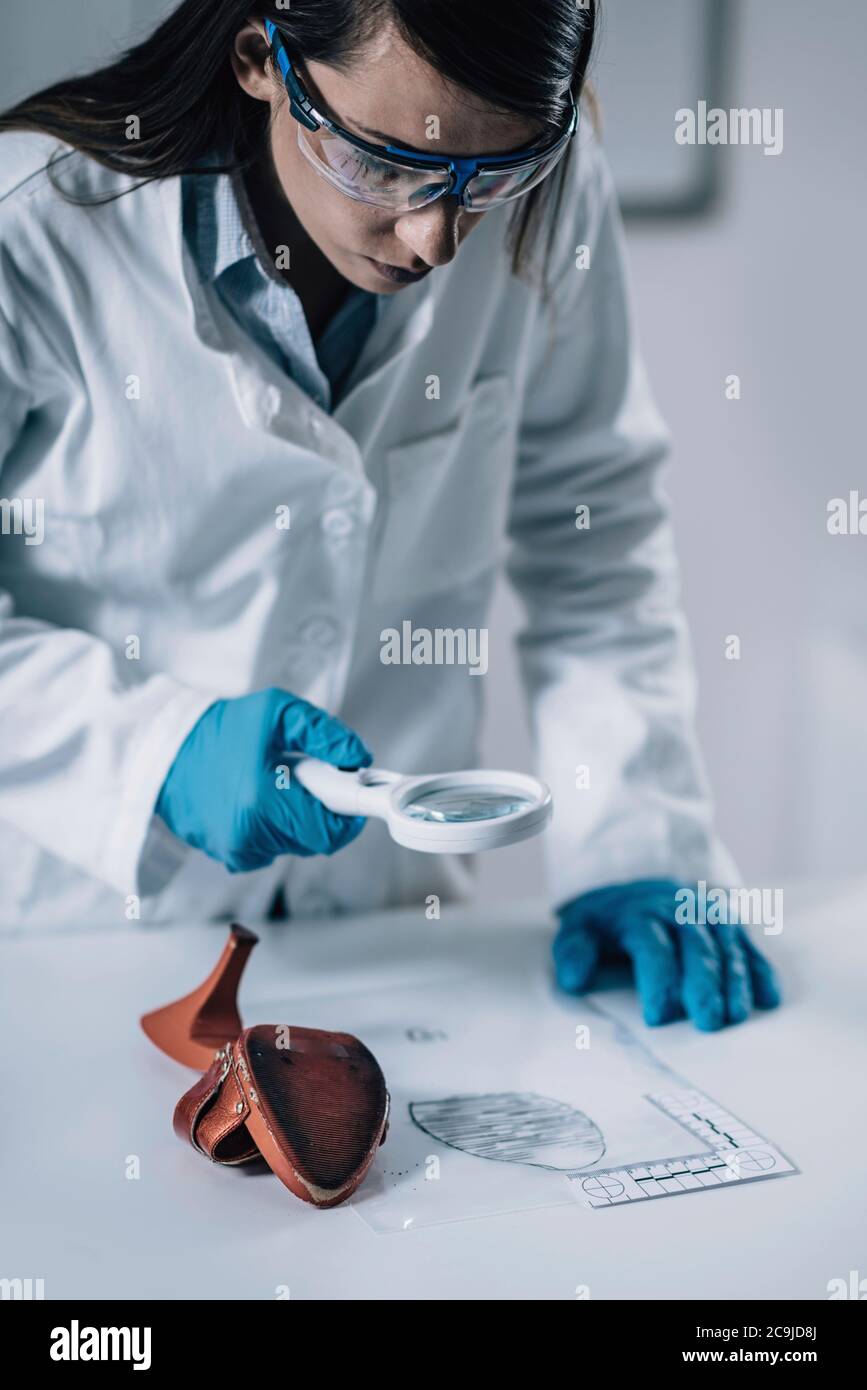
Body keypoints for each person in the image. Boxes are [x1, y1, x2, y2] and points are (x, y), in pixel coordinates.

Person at [0, 0, 779, 1029]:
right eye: (383, 165)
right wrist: (154, 751)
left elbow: (596, 535)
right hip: (84, 929)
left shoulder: (551, 181)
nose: (438, 239)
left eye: (491, 181)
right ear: (262, 62)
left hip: (389, 922)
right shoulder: (38, 225)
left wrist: (638, 841)